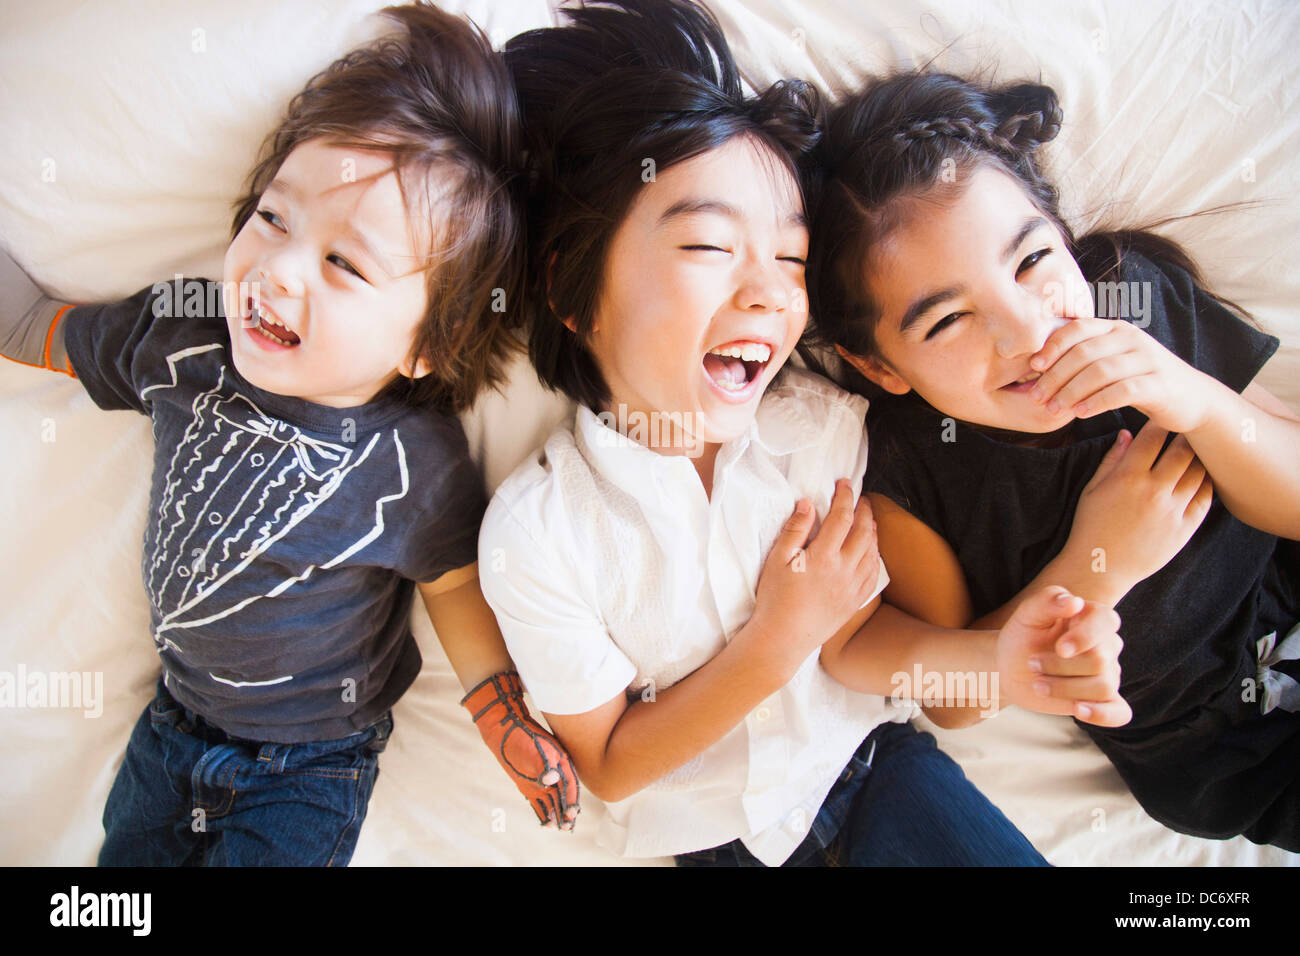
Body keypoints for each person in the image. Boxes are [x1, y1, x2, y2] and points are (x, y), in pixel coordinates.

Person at [479, 0, 1123, 867]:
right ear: (570, 287)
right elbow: (609, 765)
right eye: (710, 246)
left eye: (789, 259)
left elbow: (858, 644)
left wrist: (991, 665)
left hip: (879, 776)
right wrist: (777, 638)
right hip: (714, 844)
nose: (773, 294)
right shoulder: (538, 532)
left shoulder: (824, 432)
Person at [0, 1, 577, 866]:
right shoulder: (182, 345)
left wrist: (497, 711)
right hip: (173, 729)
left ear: (430, 344)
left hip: (307, 769)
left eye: (345, 264)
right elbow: (42, 328)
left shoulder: (408, 464)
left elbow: (453, 585)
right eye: (272, 218)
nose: (277, 267)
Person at [804, 69, 1300, 851]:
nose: (1026, 332)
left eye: (1033, 261)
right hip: (1230, 753)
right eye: (948, 321)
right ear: (880, 367)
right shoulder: (911, 472)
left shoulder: (1133, 303)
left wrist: (1197, 400)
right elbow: (960, 694)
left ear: (1062, 236)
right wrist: (1097, 564)